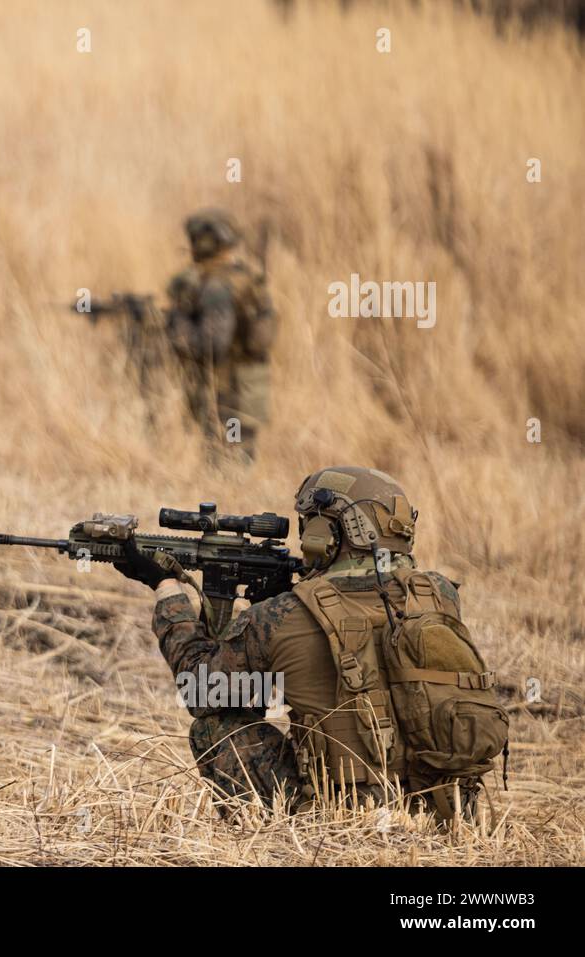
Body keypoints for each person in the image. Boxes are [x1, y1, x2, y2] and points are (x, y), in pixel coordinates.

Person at [119, 466, 509, 822]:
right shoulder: (438, 594)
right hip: (444, 807)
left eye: (309, 526)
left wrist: (166, 588)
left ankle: (281, 828)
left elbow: (204, 691)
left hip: (339, 814)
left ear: (326, 535)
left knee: (216, 727)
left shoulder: (280, 616)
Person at [164, 209, 275, 461]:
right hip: (248, 389)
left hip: (227, 393)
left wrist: (177, 328)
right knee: (238, 462)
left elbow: (214, 343)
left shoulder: (216, 286)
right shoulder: (243, 277)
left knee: (224, 467)